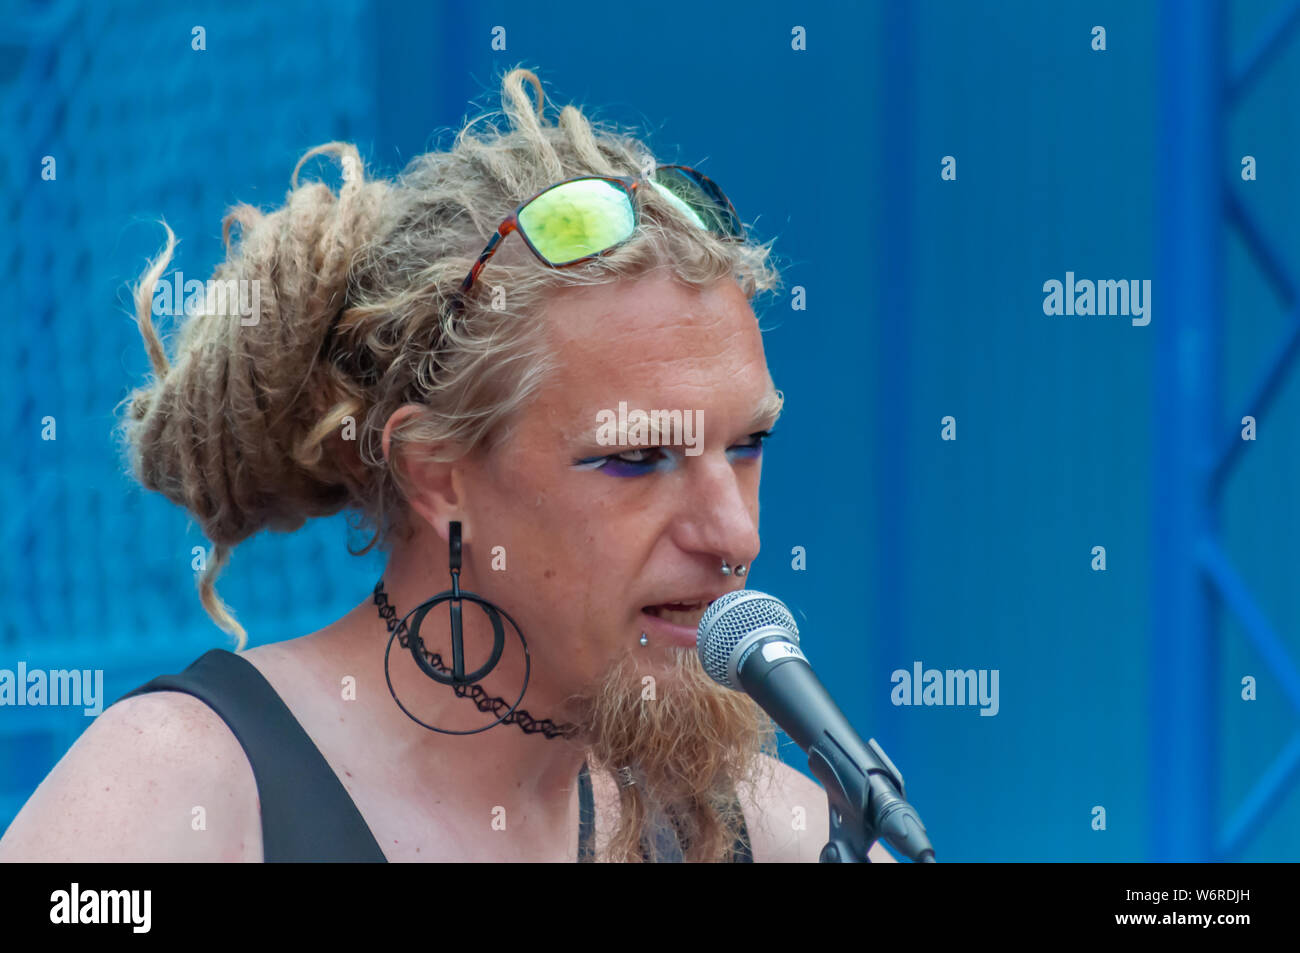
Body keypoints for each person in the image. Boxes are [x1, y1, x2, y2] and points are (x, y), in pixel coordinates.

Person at [0, 67, 895, 863]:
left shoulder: (771, 828)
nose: (734, 533)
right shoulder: (177, 797)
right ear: (438, 476)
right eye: (636, 457)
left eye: (746, 445)